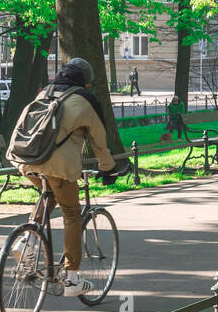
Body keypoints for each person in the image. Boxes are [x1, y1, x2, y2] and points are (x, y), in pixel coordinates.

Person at [10, 58, 129, 297]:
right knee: (72, 214)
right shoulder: (85, 100)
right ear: (86, 80)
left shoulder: (45, 91)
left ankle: (27, 240)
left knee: (50, 194)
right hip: (59, 165)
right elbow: (99, 141)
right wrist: (108, 169)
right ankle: (72, 279)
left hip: (25, 159)